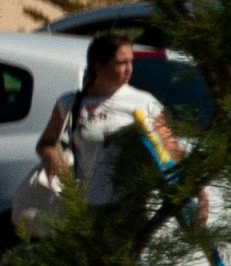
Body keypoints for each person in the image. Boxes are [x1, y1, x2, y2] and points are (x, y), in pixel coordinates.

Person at [37, 34, 173, 216]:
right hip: (83, 209)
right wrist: (53, 158)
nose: (129, 69)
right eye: (121, 63)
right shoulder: (70, 103)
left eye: (131, 62)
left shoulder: (144, 102)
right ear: (98, 65)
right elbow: (46, 143)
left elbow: (170, 150)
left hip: (129, 210)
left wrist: (194, 191)